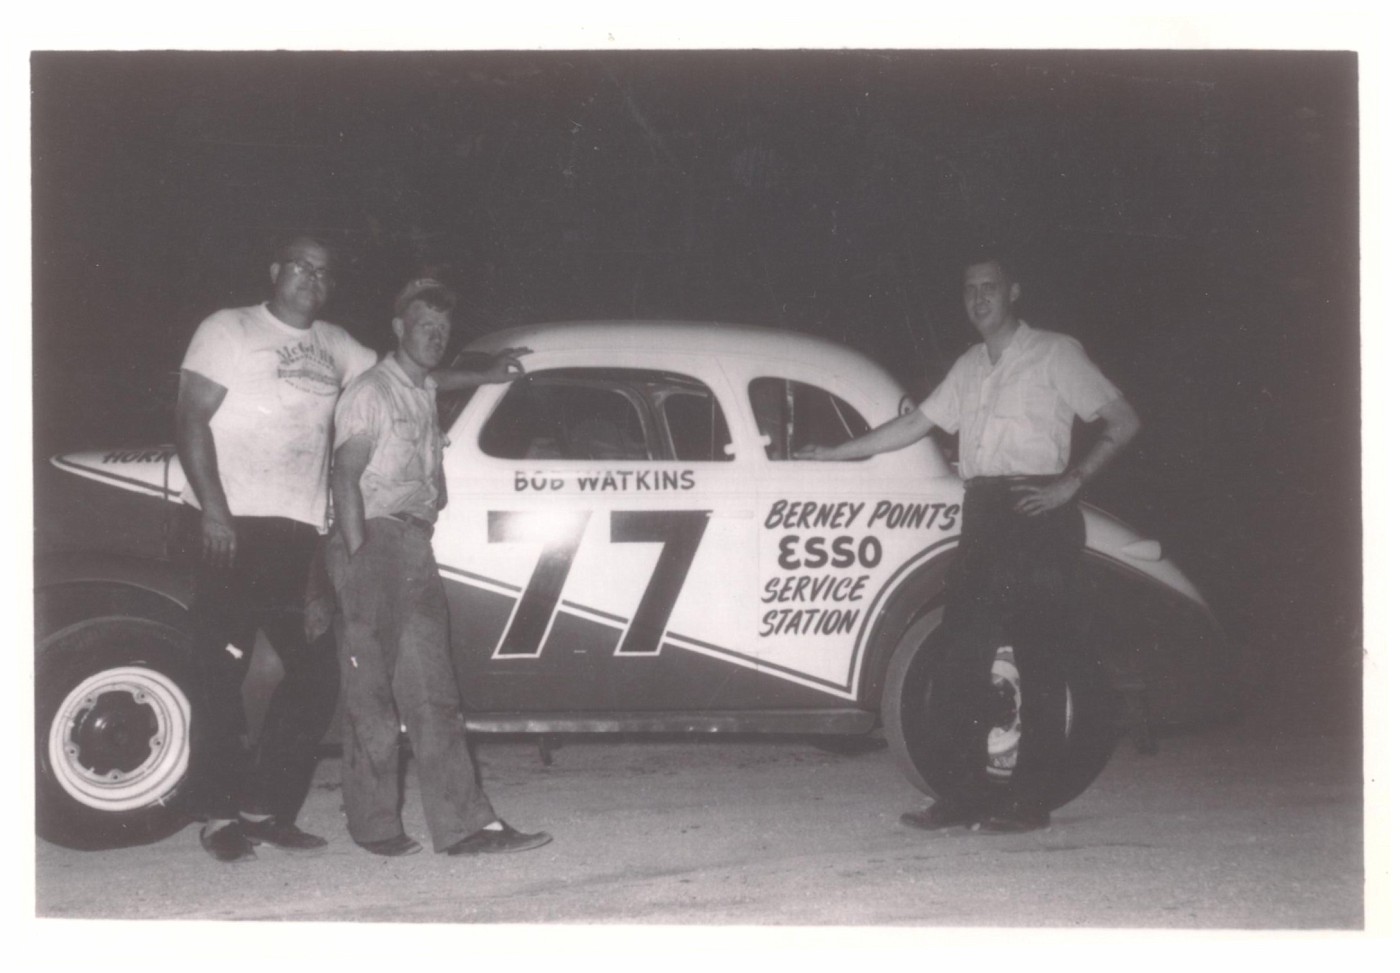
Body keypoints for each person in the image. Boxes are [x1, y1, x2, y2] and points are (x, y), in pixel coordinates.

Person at [799, 253, 1141, 833]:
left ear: (1014, 292)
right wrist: (836, 452)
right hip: (983, 511)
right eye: (969, 290)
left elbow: (1124, 420)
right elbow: (914, 425)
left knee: (1038, 658)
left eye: (989, 288)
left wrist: (1069, 486)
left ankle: (1030, 801)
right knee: (961, 656)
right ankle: (963, 795)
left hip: (1037, 511)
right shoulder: (968, 366)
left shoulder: (1057, 352)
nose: (979, 298)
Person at [327, 278, 550, 857]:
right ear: (397, 328)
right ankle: (374, 826)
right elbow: (344, 475)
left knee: (432, 692)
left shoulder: (421, 387)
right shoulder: (370, 392)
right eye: (424, 325)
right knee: (370, 696)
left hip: (413, 546)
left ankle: (465, 827)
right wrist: (356, 562)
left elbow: (434, 377)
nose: (436, 337)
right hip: (372, 538)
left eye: (444, 330)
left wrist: (487, 374)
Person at [176, 235, 379, 862]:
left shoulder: (338, 345)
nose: (311, 279)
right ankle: (215, 817)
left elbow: (400, 375)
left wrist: (481, 372)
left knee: (316, 676)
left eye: (323, 272)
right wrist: (215, 509)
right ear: (274, 272)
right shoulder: (230, 327)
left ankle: (264, 808)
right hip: (228, 526)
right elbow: (189, 421)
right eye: (300, 267)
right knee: (221, 674)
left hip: (295, 536)